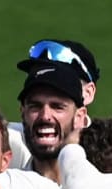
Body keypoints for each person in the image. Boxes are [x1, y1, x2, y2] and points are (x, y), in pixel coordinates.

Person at [10, 39, 101, 170]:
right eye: (35, 105)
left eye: (57, 105)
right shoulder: (7, 141)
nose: (45, 116)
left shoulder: (111, 155)